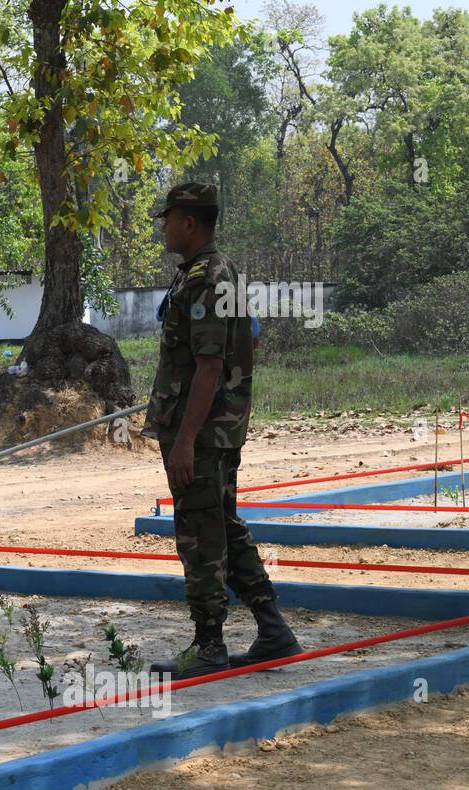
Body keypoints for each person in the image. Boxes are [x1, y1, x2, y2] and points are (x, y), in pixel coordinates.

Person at [143, 182, 303, 678]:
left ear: (189, 222)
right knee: (223, 525)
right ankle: (273, 629)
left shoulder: (210, 277)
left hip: (204, 434)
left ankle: (209, 643)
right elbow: (239, 346)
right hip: (213, 426)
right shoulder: (205, 274)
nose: (163, 227)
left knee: (199, 532)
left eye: (167, 218)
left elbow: (209, 365)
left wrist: (187, 439)